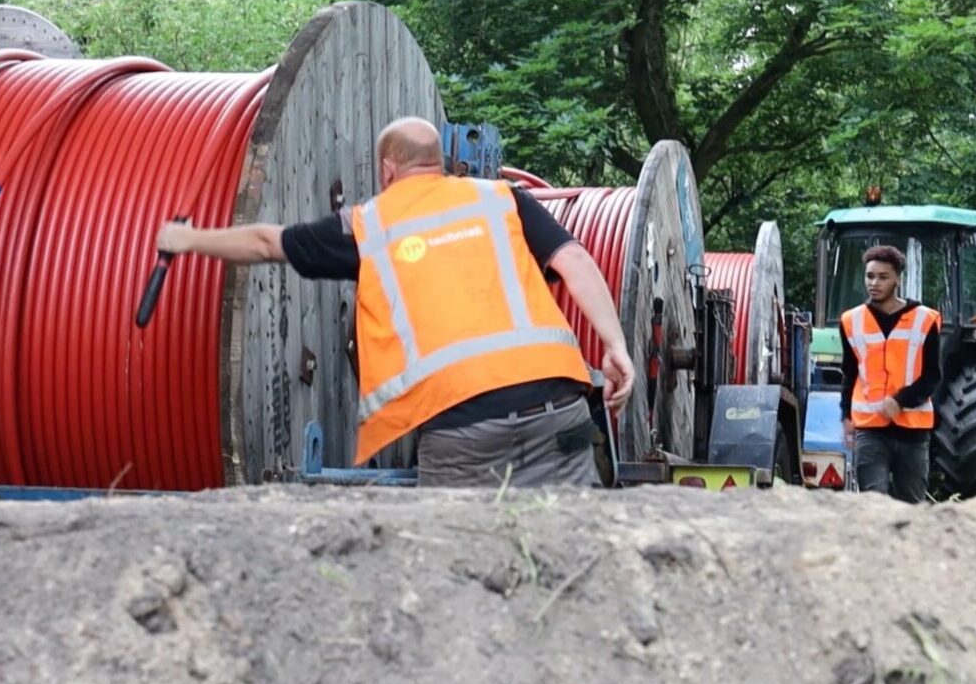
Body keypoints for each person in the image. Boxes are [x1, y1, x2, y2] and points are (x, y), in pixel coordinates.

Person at [156, 116, 635, 487]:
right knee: (572, 552)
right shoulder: (502, 200)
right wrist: (615, 346)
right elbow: (574, 259)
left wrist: (189, 239)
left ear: (388, 168)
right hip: (560, 414)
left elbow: (265, 242)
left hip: (464, 435)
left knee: (459, 569)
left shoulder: (369, 226)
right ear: (440, 162)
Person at [840, 244, 941, 502]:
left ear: (897, 279)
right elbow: (850, 373)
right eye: (869, 276)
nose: (874, 283)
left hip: (913, 432)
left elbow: (932, 376)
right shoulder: (851, 321)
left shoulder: (925, 319)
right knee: (874, 506)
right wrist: (846, 415)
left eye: (882, 277)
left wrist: (900, 400)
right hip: (870, 430)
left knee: (910, 507)